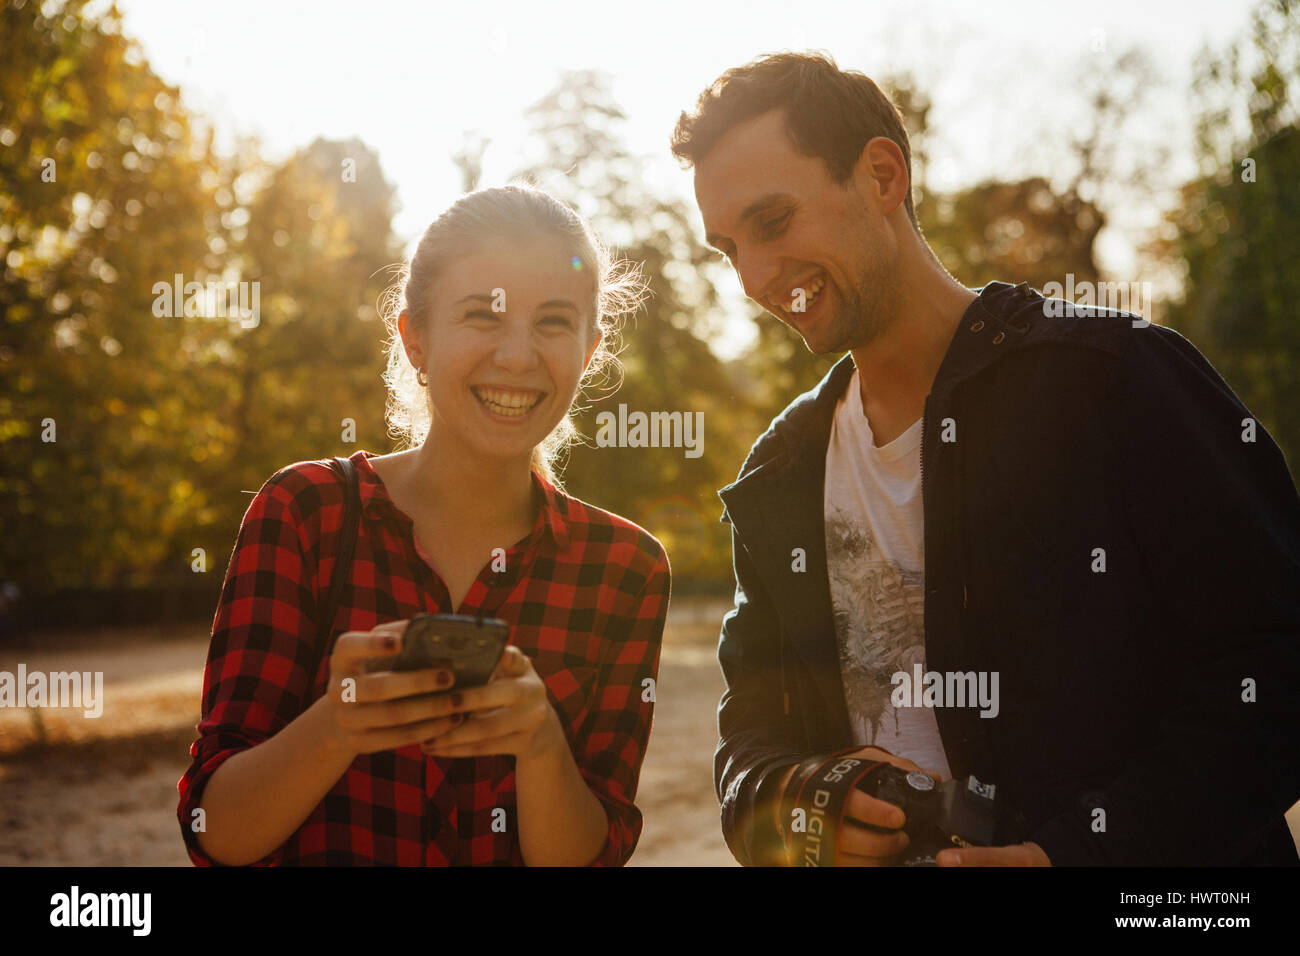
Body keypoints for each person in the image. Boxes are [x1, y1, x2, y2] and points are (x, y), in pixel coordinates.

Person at [671, 51, 1300, 866]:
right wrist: (798, 802)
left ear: (883, 176)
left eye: (772, 221)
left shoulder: (1115, 378)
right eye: (726, 248)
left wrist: (1070, 855)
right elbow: (751, 735)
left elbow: (1275, 665)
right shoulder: (780, 470)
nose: (753, 277)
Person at [176, 184, 670, 866]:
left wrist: (540, 746)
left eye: (554, 323)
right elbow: (216, 830)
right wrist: (339, 721)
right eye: (482, 315)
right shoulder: (305, 512)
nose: (518, 356)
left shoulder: (626, 568)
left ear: (588, 352)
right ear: (416, 338)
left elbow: (592, 854)